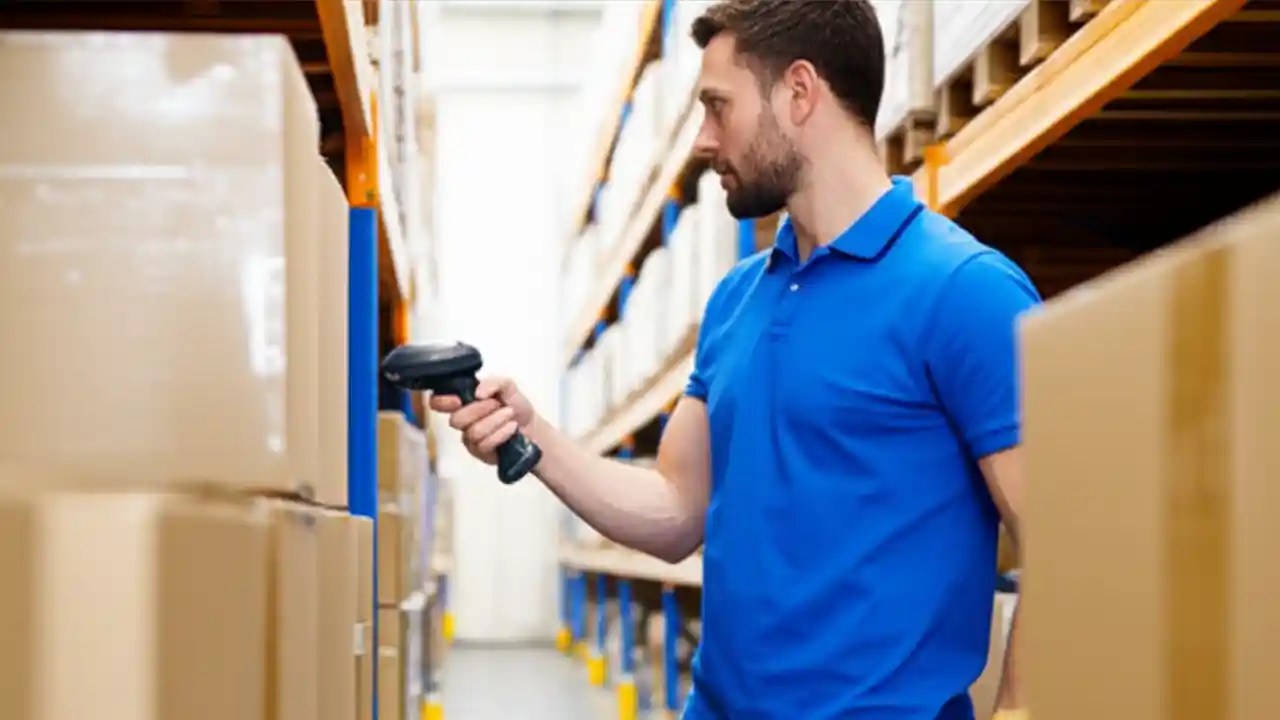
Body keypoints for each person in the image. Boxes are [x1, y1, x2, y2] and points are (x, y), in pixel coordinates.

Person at [429, 1, 1041, 718]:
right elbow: (676, 511)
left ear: (799, 92)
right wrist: (532, 435)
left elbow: (1065, 542)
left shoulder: (966, 292)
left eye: (719, 107)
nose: (702, 139)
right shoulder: (736, 300)